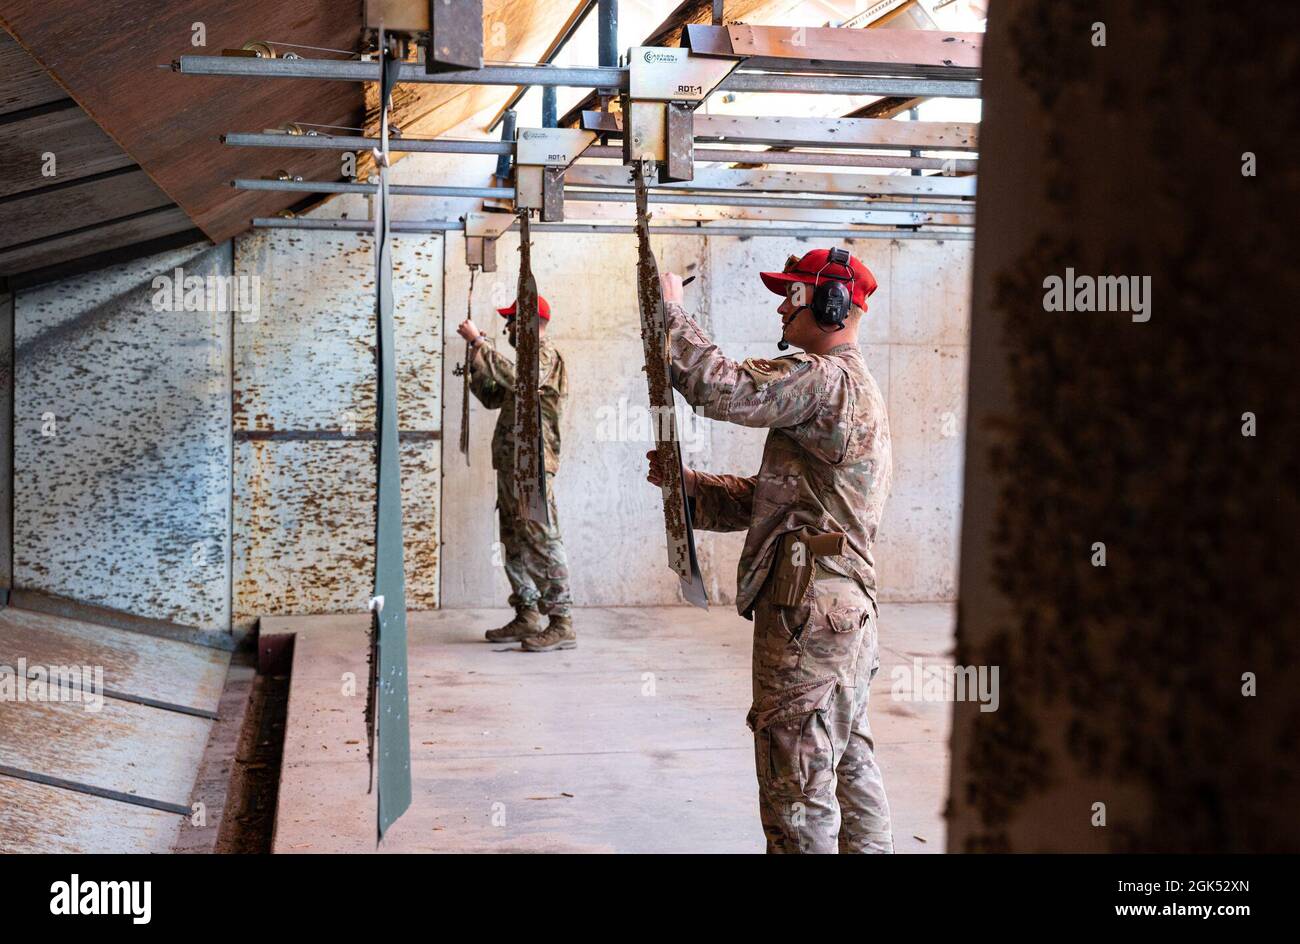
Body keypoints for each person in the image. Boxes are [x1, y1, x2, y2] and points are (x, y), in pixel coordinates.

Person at [647, 248, 894, 852]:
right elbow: (784, 500)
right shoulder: (850, 388)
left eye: (794, 295)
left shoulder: (823, 378)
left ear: (831, 305)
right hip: (843, 614)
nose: (783, 307)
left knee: (797, 787)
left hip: (811, 615)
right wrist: (695, 492)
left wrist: (669, 313)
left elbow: (721, 388)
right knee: (845, 761)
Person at [456, 295, 574, 652]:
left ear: (528, 322)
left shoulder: (543, 355)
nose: (506, 328)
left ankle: (562, 621)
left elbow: (520, 380)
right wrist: (476, 365)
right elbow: (494, 396)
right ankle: (527, 612)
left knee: (541, 538)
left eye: (511, 321)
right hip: (510, 464)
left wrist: (480, 344)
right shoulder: (523, 361)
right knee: (514, 539)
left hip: (533, 466)